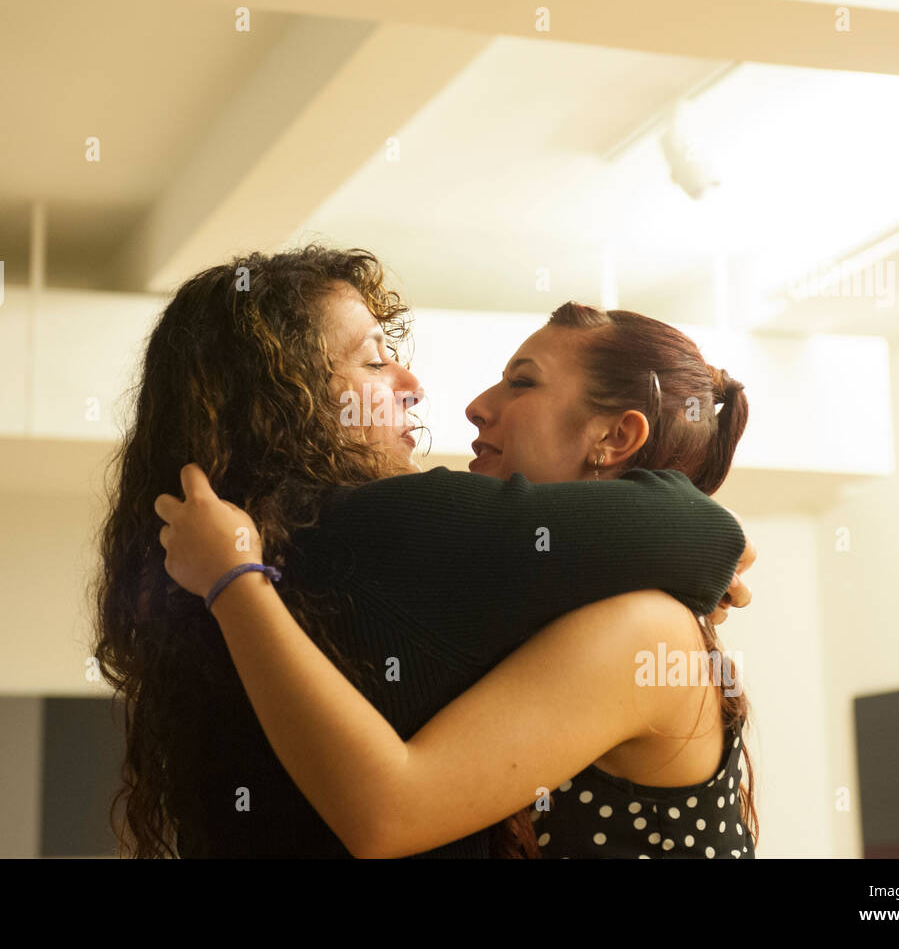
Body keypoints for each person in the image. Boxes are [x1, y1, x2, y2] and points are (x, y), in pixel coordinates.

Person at [94, 244, 750, 858]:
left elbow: (389, 807)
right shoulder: (388, 541)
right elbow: (702, 529)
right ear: (278, 399)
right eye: (375, 359)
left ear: (615, 438)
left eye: (522, 383)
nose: (466, 404)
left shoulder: (641, 628)